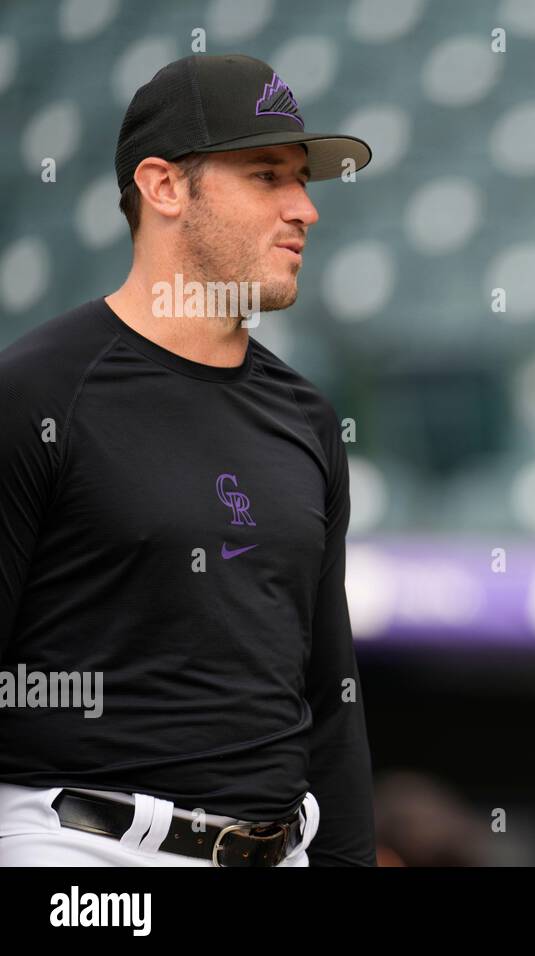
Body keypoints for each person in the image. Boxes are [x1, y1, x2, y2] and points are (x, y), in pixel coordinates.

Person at [0, 54, 376, 866]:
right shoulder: (34, 393)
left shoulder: (308, 418)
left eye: (303, 180)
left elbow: (331, 699)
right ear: (165, 187)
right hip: (86, 858)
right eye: (268, 175)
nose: (305, 209)